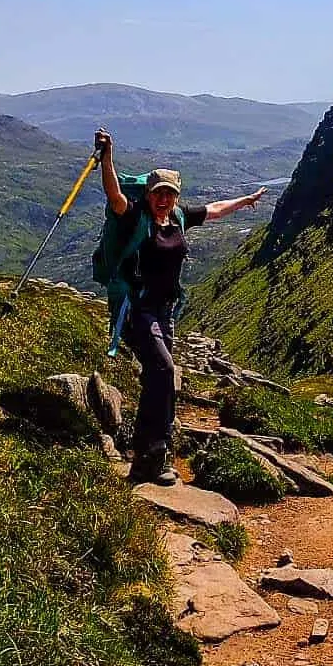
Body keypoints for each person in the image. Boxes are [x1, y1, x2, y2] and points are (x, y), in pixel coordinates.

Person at [94, 127, 266, 485]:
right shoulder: (135, 216)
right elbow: (113, 197)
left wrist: (245, 201)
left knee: (163, 379)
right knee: (162, 371)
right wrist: (107, 158)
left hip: (165, 311)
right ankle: (149, 456)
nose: (163, 199)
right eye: (158, 193)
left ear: (175, 196)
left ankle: (155, 453)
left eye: (169, 194)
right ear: (149, 193)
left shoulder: (179, 217)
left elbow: (215, 210)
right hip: (137, 309)